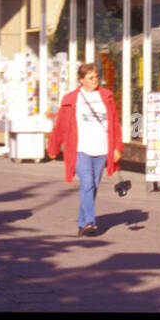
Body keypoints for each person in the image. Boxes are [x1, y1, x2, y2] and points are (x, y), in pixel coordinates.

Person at [47, 62, 122, 237]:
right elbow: (61, 125)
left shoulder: (107, 96)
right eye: (90, 77)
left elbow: (115, 124)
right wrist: (54, 146)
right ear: (81, 80)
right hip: (80, 148)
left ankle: (82, 223)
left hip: (102, 147)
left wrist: (117, 147)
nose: (95, 80)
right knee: (87, 182)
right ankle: (90, 222)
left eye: (96, 76)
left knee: (93, 185)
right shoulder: (72, 99)